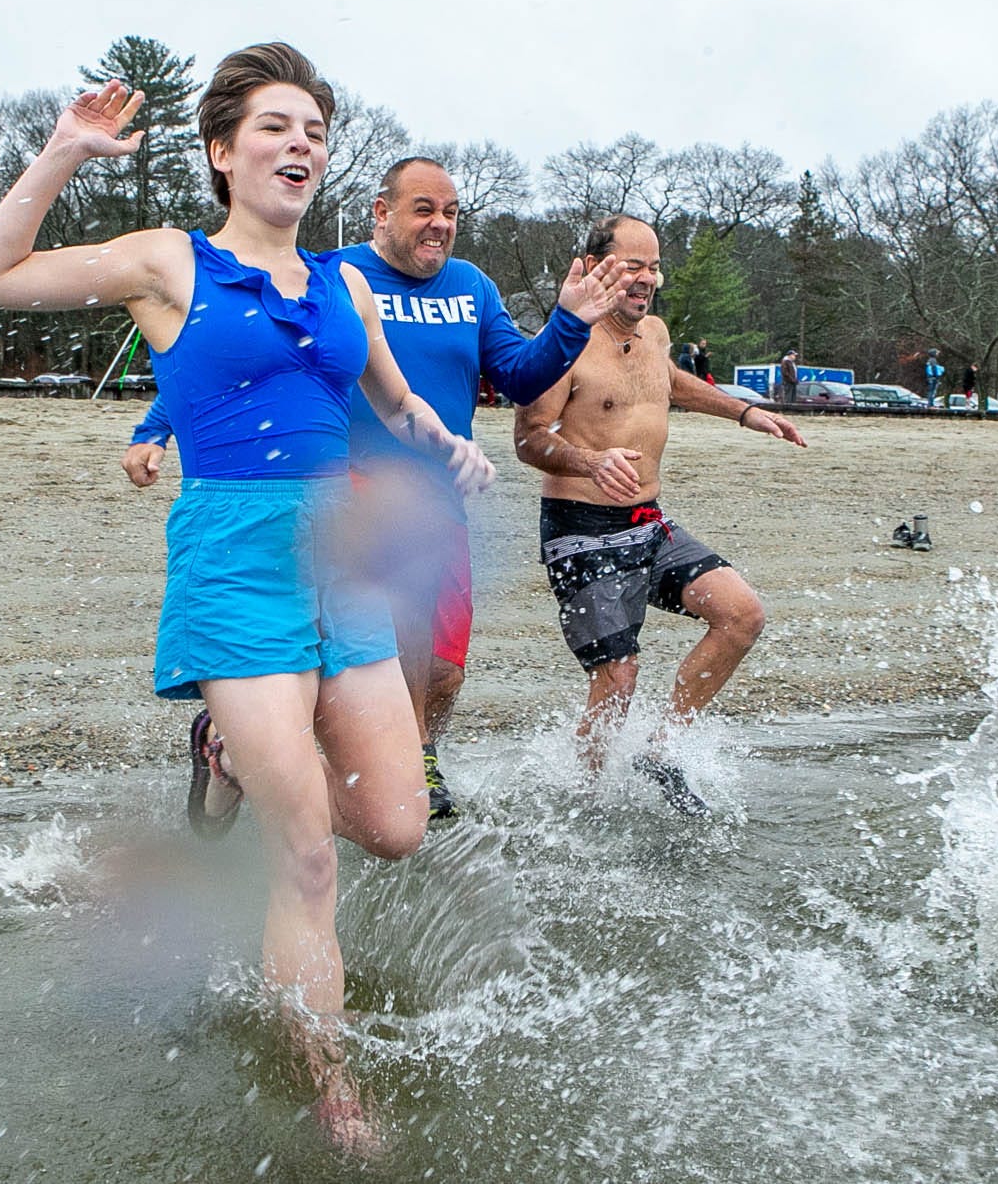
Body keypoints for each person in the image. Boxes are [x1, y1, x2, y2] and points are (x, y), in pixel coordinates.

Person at [0, 46, 502, 1153]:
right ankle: (336, 1088)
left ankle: (231, 753)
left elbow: (393, 399)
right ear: (220, 152)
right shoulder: (168, 264)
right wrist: (66, 150)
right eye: (273, 127)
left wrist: (448, 447)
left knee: (394, 826)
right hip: (237, 557)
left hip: (339, 554)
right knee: (306, 853)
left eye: (313, 130)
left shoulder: (346, 282)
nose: (299, 143)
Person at [125, 155, 625, 818]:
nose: (440, 224)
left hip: (436, 498)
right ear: (381, 212)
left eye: (451, 212)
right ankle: (282, 750)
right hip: (340, 496)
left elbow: (519, 376)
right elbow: (238, 361)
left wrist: (568, 322)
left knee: (443, 669)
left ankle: (393, 755)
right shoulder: (337, 277)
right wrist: (155, 427)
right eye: (424, 209)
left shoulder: (472, 287)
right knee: (361, 649)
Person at [513, 215, 806, 815]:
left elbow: (669, 383)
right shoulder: (565, 342)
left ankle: (661, 747)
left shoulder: (657, 333)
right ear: (596, 266)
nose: (647, 279)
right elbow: (529, 437)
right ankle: (581, 802)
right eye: (632, 265)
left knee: (741, 615)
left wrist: (744, 412)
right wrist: (589, 461)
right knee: (618, 677)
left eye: (653, 266)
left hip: (647, 520)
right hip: (580, 528)